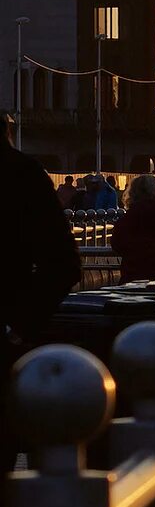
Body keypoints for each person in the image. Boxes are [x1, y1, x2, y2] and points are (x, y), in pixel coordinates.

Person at [0, 123, 80, 354]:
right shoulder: (21, 172)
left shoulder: (19, 173)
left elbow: (63, 264)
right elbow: (64, 264)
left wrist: (15, 328)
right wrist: (18, 327)